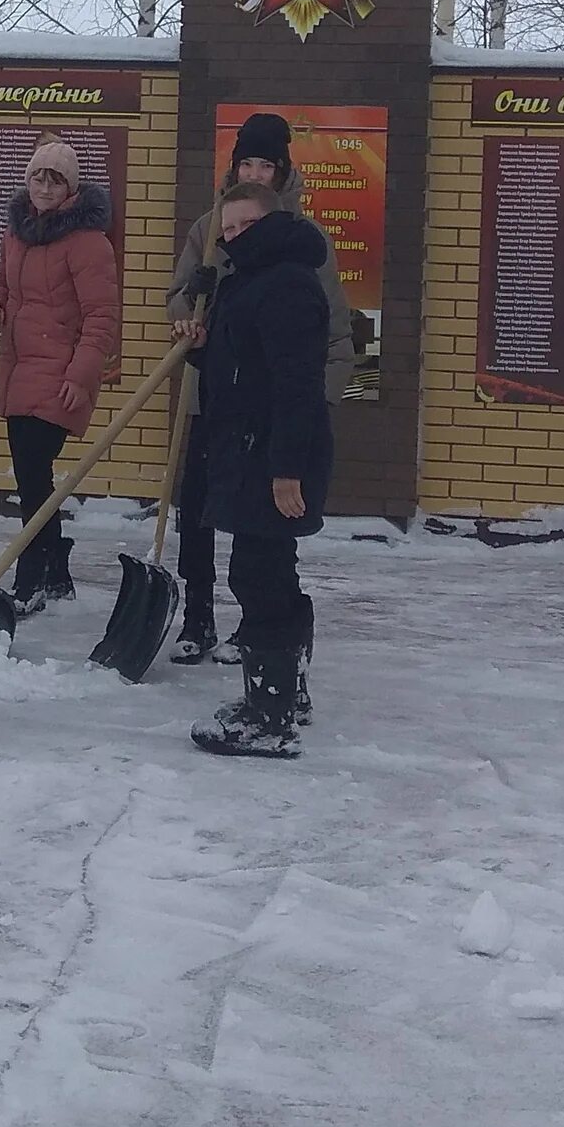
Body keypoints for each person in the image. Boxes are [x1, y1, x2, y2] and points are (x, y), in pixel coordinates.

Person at [163, 111, 352, 664]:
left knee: (264, 532)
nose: (253, 173)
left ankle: (264, 634)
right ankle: (199, 616)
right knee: (198, 508)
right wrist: (195, 301)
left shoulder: (301, 242)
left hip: (270, 408)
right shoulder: (210, 227)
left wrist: (312, 408)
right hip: (216, 396)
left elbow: (329, 330)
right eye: (245, 163)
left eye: (265, 165)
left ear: (282, 171)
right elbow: (182, 307)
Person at [189, 177, 334, 760]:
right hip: (250, 449)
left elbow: (297, 386)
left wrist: (286, 469)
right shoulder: (252, 280)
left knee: (259, 578)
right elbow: (241, 365)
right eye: (227, 229)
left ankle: (269, 718)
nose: (234, 236)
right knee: (272, 572)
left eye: (245, 225)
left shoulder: (287, 285)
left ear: (272, 221)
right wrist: (202, 340)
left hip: (270, 454)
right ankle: (285, 695)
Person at [0, 139, 120, 612]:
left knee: (33, 476)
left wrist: (81, 376)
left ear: (71, 189)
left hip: (60, 374)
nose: (44, 187)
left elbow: (101, 316)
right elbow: (4, 287)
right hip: (20, 368)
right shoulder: (17, 234)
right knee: (33, 480)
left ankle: (32, 578)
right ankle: (55, 573)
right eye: (38, 177)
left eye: (55, 180)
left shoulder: (88, 243)